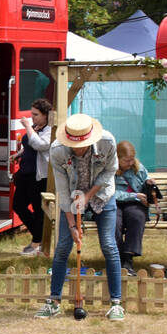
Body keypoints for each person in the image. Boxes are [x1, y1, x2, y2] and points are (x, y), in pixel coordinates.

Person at [36, 112, 124, 321]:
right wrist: (72, 224)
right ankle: (54, 301)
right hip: (72, 197)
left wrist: (88, 196)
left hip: (102, 194)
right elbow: (63, 191)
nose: (78, 149)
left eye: (82, 145)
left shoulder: (107, 142)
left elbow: (111, 170)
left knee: (109, 245)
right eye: (74, 146)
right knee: (63, 246)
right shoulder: (57, 151)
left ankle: (116, 303)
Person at [10, 97, 52, 256]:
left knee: (38, 209)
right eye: (31, 114)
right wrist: (18, 154)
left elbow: (41, 145)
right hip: (25, 173)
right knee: (18, 205)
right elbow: (28, 145)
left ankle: (37, 242)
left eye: (35, 114)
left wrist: (28, 126)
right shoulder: (35, 126)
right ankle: (39, 236)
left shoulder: (49, 130)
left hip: (38, 176)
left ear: (45, 115)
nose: (32, 117)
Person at [113, 140, 151, 277]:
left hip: (134, 204)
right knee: (113, 221)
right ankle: (117, 256)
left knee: (137, 216)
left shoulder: (138, 168)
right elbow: (110, 193)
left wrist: (149, 185)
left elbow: (147, 180)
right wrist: (134, 196)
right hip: (114, 203)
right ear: (117, 158)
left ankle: (128, 258)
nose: (130, 163)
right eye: (126, 160)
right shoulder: (110, 169)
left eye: (132, 160)